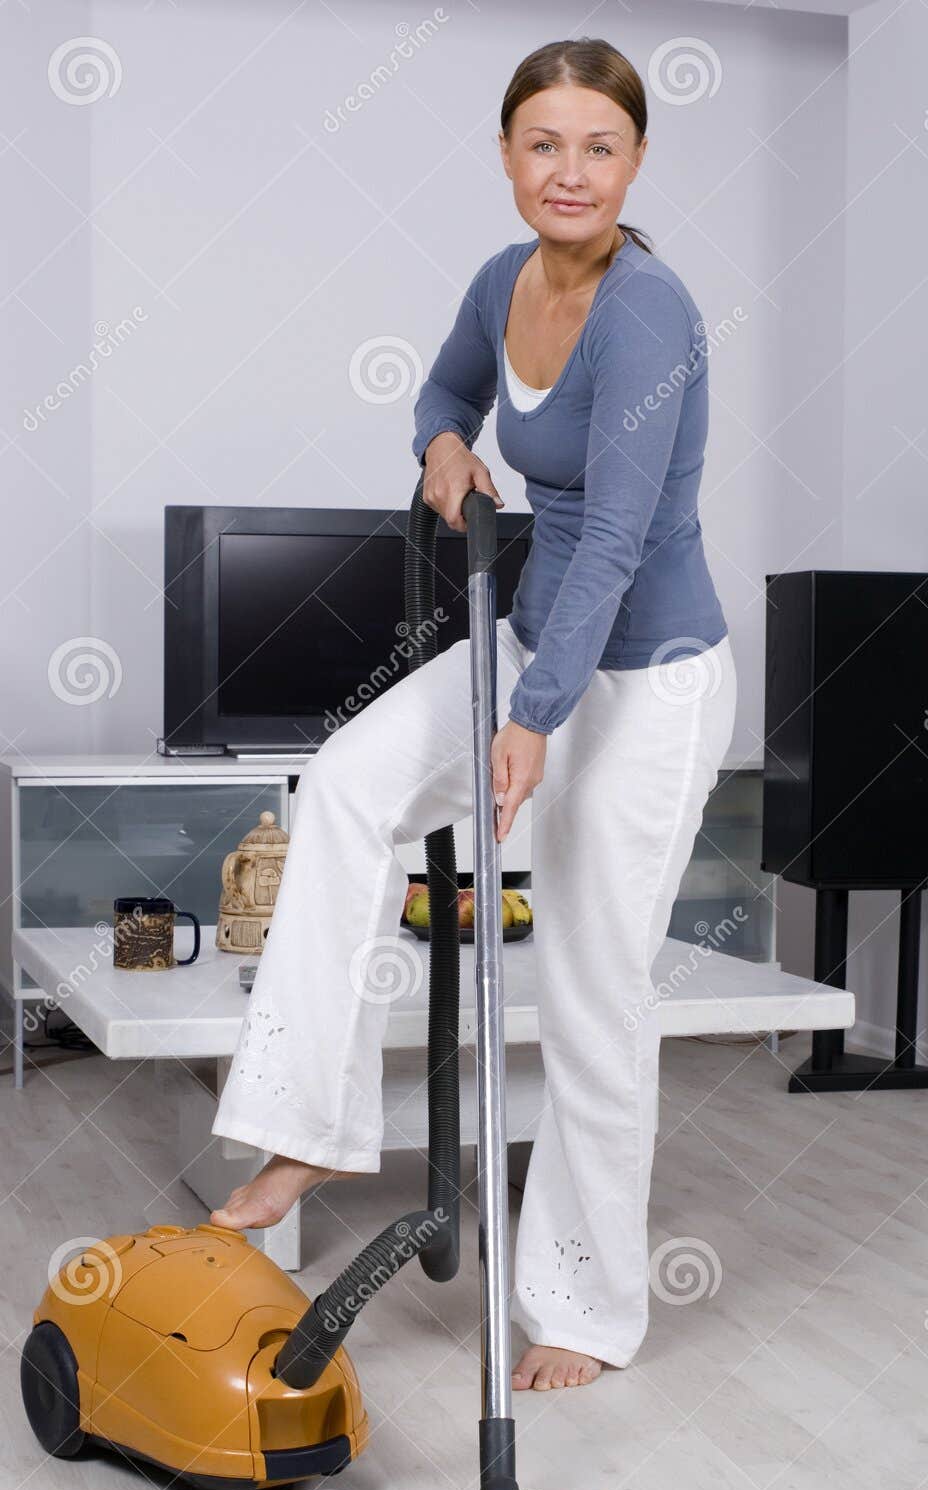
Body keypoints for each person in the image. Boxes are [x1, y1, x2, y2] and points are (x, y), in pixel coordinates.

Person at [209, 37, 736, 1393]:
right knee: (345, 784)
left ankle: (586, 1305)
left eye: (600, 147)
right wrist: (444, 443)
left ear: (636, 161)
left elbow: (616, 538)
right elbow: (447, 390)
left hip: (649, 677)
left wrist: (534, 715)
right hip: (534, 638)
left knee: (592, 985)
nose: (571, 172)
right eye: (544, 144)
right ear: (507, 154)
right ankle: (311, 1128)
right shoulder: (504, 281)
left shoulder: (649, 314)